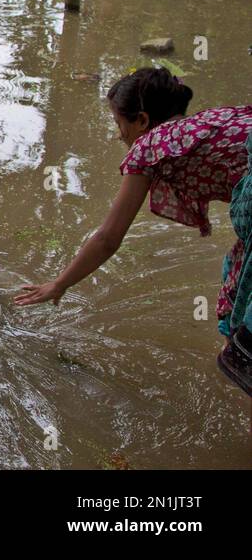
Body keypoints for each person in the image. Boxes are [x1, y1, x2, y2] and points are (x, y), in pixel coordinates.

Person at [15, 68, 252, 401]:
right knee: (237, 285)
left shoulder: (151, 146)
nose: (118, 134)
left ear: (141, 120)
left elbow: (108, 238)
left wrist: (59, 284)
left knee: (243, 347)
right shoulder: (207, 123)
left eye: (118, 123)